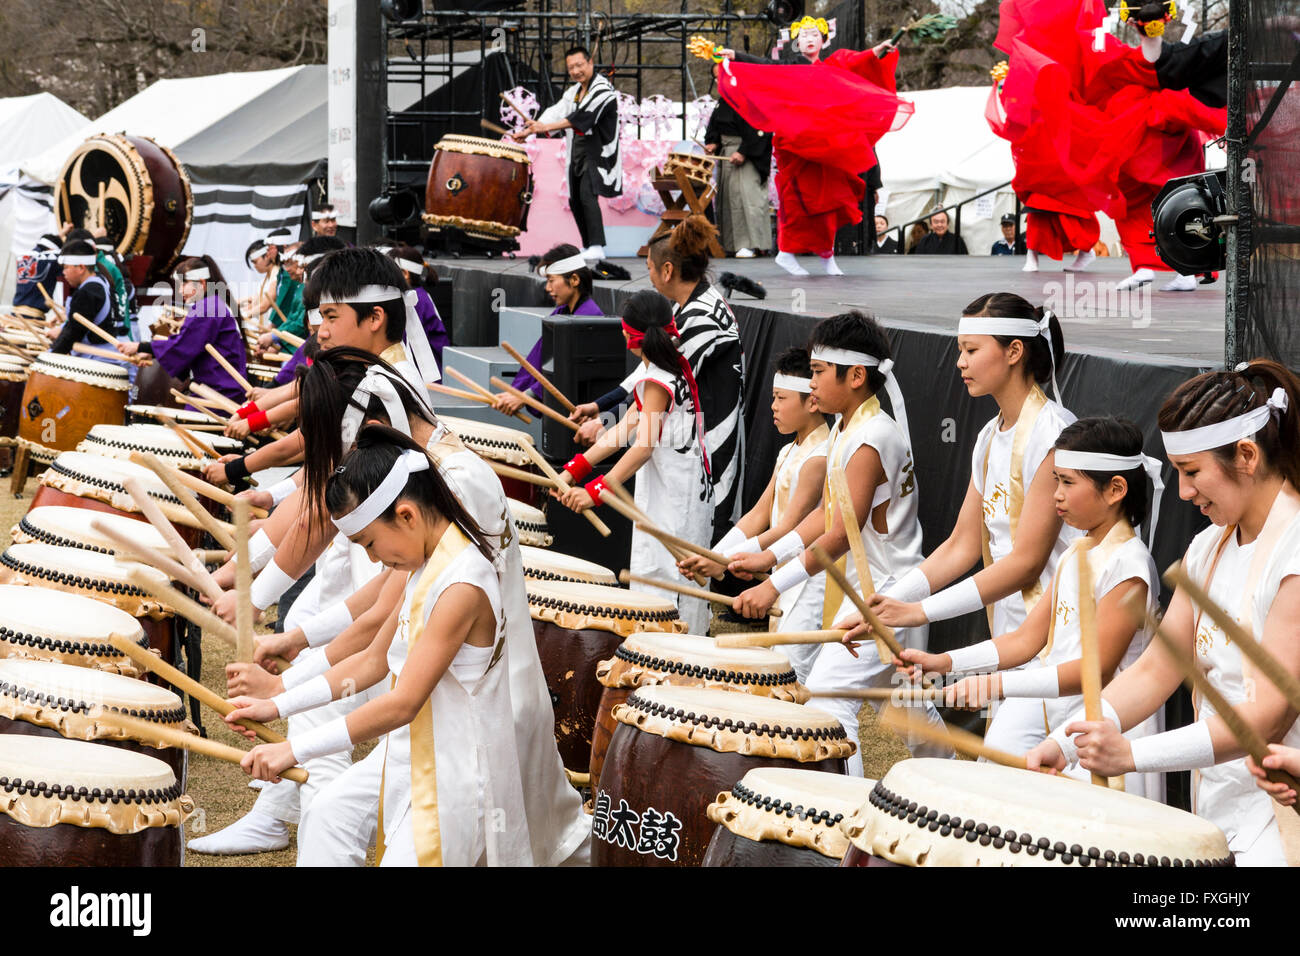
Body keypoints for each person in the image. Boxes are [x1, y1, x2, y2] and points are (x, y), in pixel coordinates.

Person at [1026, 361, 1300, 866]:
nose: (1183, 492)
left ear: (1246, 455)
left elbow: (1267, 713)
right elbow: (1157, 667)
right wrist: (1067, 741)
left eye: (1192, 471)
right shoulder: (1207, 547)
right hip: (1219, 801)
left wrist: (1132, 755)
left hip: (1283, 815)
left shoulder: (1295, 551)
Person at [226, 427, 534, 866]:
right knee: (329, 815)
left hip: (457, 774)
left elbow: (402, 702)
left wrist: (293, 750)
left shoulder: (461, 584)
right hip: (414, 748)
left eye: (369, 542)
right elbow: (373, 661)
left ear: (406, 515)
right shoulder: (425, 561)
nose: (372, 559)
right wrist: (277, 704)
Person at [845, 294, 1077, 750]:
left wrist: (917, 612)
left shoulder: (1052, 433)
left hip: (1059, 633)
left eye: (971, 350)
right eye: (959, 350)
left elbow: (1027, 563)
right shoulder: (989, 436)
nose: (959, 362)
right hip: (1012, 632)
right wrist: (891, 601)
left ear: (1014, 352)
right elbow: (961, 545)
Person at [726, 311, 944, 774]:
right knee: (907, 711)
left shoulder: (869, 438)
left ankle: (841, 812)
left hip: (887, 590)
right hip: (878, 587)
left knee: (828, 704)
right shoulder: (850, 428)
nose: (814, 382)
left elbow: (841, 534)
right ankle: (962, 786)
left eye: (820, 372)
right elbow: (827, 518)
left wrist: (773, 585)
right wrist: (768, 557)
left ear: (857, 376)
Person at [904, 416, 1164, 797]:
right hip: (1056, 708)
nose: (1055, 493)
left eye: (1068, 482)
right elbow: (1027, 640)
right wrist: (947, 664)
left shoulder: (1130, 566)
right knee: (988, 790)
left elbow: (1095, 669)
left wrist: (997, 683)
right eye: (1056, 480)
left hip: (1108, 725)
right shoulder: (1075, 552)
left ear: (1115, 490)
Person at [694, 21, 910, 276]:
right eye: (804, 34)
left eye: (815, 34)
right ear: (796, 41)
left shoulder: (833, 65)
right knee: (797, 202)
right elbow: (766, 66)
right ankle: (786, 253)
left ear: (823, 41)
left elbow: (856, 61)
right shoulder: (790, 66)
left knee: (830, 201)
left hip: (827, 148)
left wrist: (877, 51)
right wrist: (736, 56)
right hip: (797, 146)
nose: (809, 38)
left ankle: (827, 255)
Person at [556, 290, 714, 632]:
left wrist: (597, 492)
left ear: (629, 337)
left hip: (676, 496)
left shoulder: (658, 378)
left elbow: (642, 446)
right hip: (670, 488)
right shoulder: (666, 365)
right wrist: (575, 469)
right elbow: (626, 426)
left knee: (670, 587)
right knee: (656, 576)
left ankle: (678, 671)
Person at [680, 347, 829, 677]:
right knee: (780, 663)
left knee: (793, 671)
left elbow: (789, 528)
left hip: (810, 579)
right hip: (783, 572)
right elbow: (759, 514)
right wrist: (716, 554)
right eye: (773, 398)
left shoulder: (820, 456)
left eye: (781, 398)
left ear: (812, 402)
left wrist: (723, 562)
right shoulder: (790, 450)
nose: (773, 407)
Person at [515, 47, 622, 261]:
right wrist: (530, 130)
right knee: (575, 199)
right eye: (571, 67)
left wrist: (541, 128)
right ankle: (588, 245)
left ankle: (597, 245)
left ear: (590, 63)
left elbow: (579, 118)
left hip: (597, 152)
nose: (575, 71)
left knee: (587, 195)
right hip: (577, 151)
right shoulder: (573, 92)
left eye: (579, 65)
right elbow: (557, 111)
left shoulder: (603, 90)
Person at [116, 256, 248, 404]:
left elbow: (183, 346)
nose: (180, 290)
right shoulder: (214, 304)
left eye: (183, 284)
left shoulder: (208, 309)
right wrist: (152, 353)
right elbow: (188, 343)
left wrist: (141, 346)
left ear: (202, 284)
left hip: (221, 393)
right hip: (219, 389)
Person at [494, 244, 602, 419]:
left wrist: (525, 396)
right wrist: (514, 393)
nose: (547, 288)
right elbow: (537, 360)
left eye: (551, 280)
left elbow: (566, 372)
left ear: (574, 280)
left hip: (582, 416)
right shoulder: (560, 314)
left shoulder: (590, 319)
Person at [704, 67, 773, 259]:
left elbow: (762, 127)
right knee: (728, 200)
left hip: (747, 155)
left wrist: (743, 151)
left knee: (747, 199)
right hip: (727, 153)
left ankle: (751, 244)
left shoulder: (751, 97)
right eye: (717, 78)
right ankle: (731, 244)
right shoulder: (722, 102)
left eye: (723, 77)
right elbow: (715, 127)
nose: (720, 82)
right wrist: (713, 142)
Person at [387, 245, 448, 374]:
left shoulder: (414, 300)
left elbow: (406, 342)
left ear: (405, 274)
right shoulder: (418, 295)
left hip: (427, 375)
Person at [49, 239, 116, 354]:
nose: (63, 273)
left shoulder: (88, 292)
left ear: (81, 268)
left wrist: (51, 355)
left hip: (96, 357)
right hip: (102, 352)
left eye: (66, 268)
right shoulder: (100, 279)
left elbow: (73, 332)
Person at [13, 234, 63, 312]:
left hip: (15, 313)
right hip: (32, 316)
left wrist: (61, 235)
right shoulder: (53, 257)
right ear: (52, 248)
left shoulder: (22, 257)